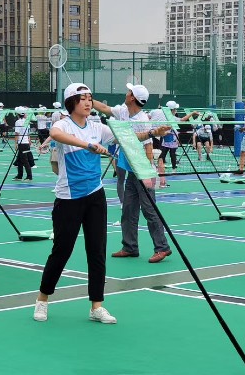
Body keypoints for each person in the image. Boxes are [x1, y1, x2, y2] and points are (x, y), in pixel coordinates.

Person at [33, 83, 167, 323]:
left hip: (95, 196)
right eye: (83, 98)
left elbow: (126, 138)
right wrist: (87, 145)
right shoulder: (64, 125)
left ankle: (97, 306)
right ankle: (42, 299)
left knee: (97, 251)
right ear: (71, 102)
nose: (88, 102)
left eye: (90, 98)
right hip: (68, 199)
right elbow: (55, 134)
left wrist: (152, 134)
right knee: (62, 251)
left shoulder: (98, 127)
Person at [93, 83, 173, 263]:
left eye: (129, 91)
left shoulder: (142, 120)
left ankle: (162, 247)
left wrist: (148, 174)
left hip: (142, 171)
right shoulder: (123, 111)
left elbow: (148, 147)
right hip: (130, 170)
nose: (126, 92)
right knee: (128, 211)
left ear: (132, 98)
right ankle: (130, 247)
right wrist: (88, 98)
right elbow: (104, 108)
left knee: (150, 211)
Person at [13, 106, 33, 182]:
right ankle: (19, 176)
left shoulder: (18, 122)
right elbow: (28, 133)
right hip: (26, 143)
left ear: (18, 114)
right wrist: (29, 140)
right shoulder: (27, 121)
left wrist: (16, 143)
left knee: (25, 160)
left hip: (22, 143)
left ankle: (29, 176)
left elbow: (17, 133)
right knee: (19, 160)